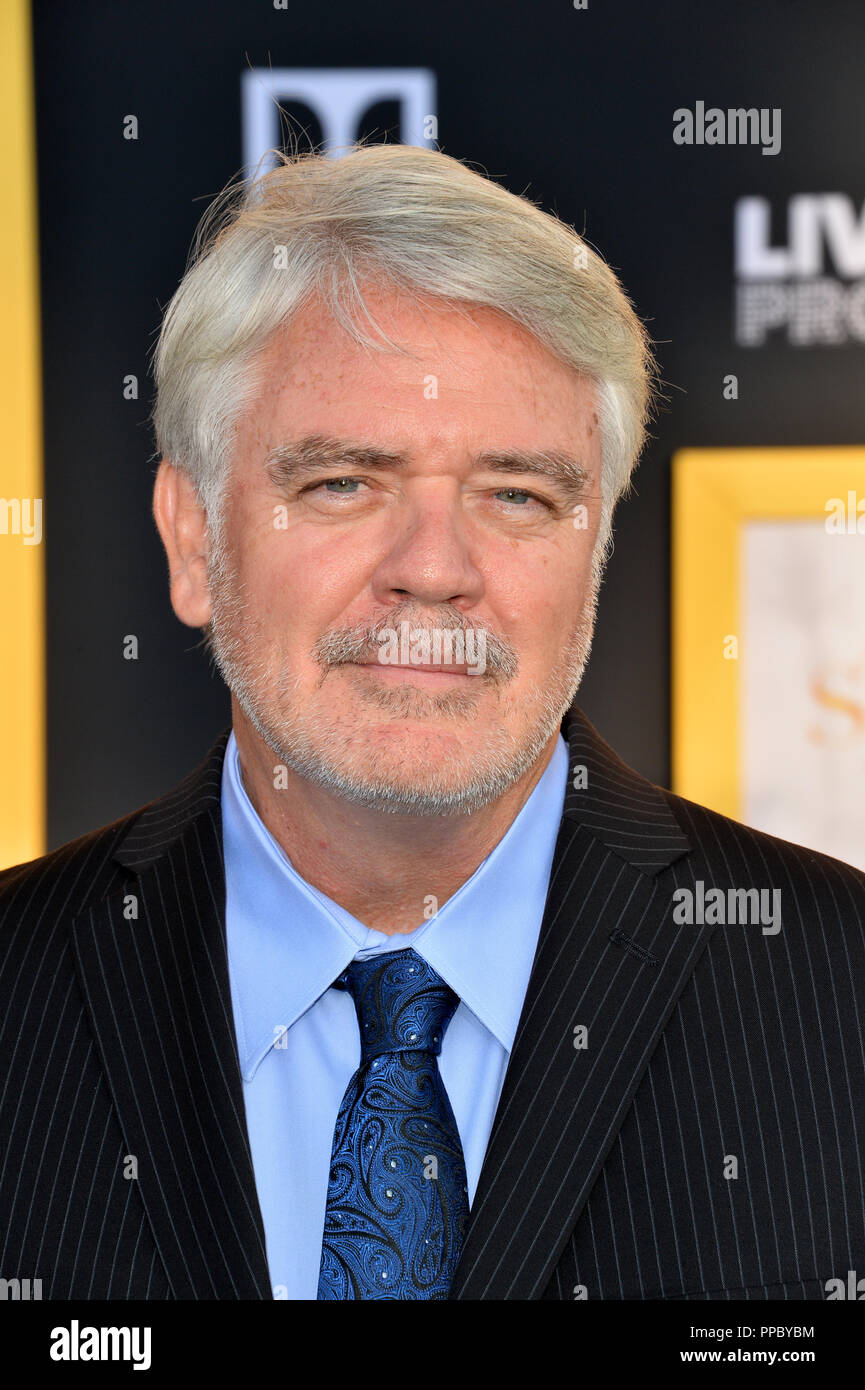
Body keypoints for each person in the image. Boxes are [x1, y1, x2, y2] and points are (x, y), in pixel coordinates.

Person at [2, 143, 864, 1301]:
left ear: (595, 552)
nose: (434, 570)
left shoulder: (839, 996)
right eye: (343, 483)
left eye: (517, 494)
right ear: (193, 537)